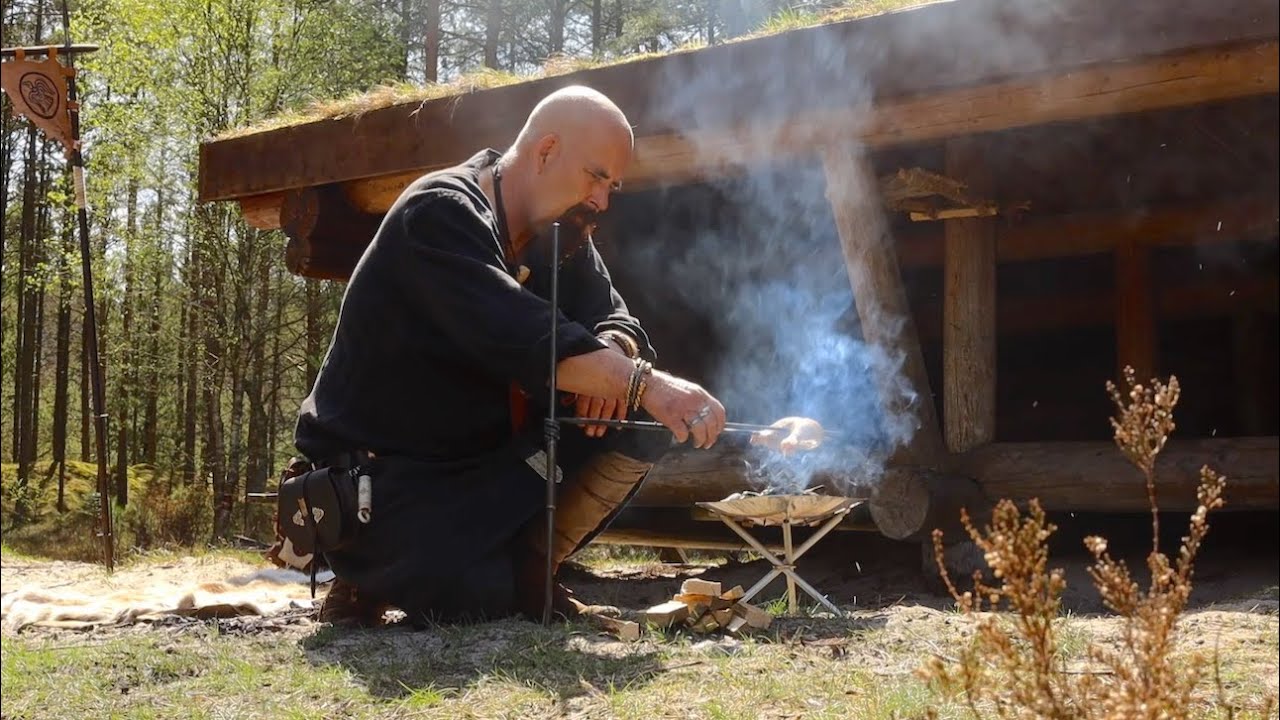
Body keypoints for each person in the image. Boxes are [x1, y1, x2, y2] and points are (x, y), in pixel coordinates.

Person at [291, 85, 733, 626]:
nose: (602, 201)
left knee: (633, 412)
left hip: (487, 472)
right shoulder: (439, 213)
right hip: (391, 484)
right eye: (597, 177)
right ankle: (369, 578)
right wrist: (643, 382)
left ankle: (533, 563)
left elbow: (616, 318)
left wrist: (616, 358)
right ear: (546, 151)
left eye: (612, 186)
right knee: (479, 596)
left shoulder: (560, 233)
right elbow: (522, 334)